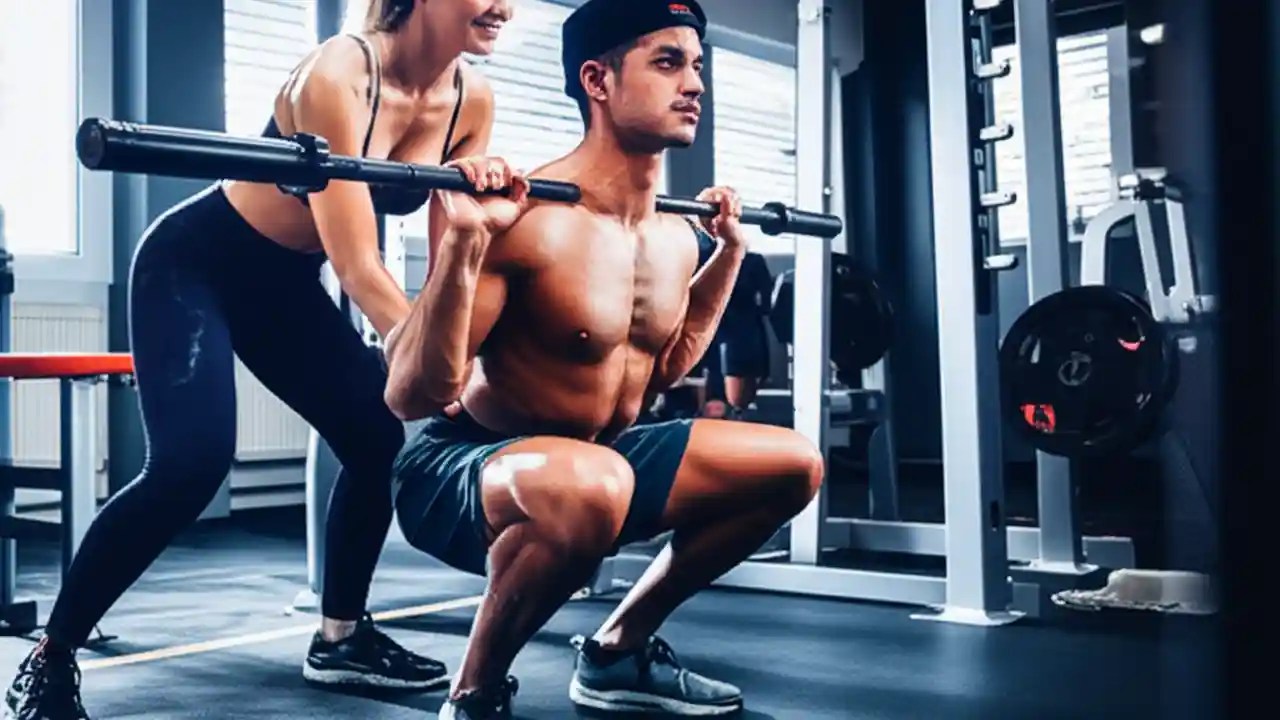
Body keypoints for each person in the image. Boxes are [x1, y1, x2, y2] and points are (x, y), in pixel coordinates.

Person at [4, 1, 523, 717]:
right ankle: (49, 655)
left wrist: (448, 354)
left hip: (282, 282)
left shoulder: (473, 96)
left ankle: (341, 638)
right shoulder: (341, 72)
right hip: (197, 264)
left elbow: (446, 263)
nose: (504, 6)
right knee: (190, 464)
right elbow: (359, 264)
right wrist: (430, 370)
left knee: (374, 440)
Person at [381, 1, 826, 717]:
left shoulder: (676, 238)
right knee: (594, 482)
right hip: (466, 471)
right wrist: (464, 242)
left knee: (792, 465)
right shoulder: (532, 223)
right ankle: (474, 694)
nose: (695, 85)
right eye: (667, 62)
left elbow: (667, 368)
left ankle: (618, 653)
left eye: (698, 65)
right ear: (597, 79)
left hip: (599, 462)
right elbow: (408, 397)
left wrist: (730, 255)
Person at [693, 250, 775, 418]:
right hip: (737, 332)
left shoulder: (702, 258)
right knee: (735, 400)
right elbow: (767, 302)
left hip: (725, 333)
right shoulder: (752, 261)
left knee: (734, 398)